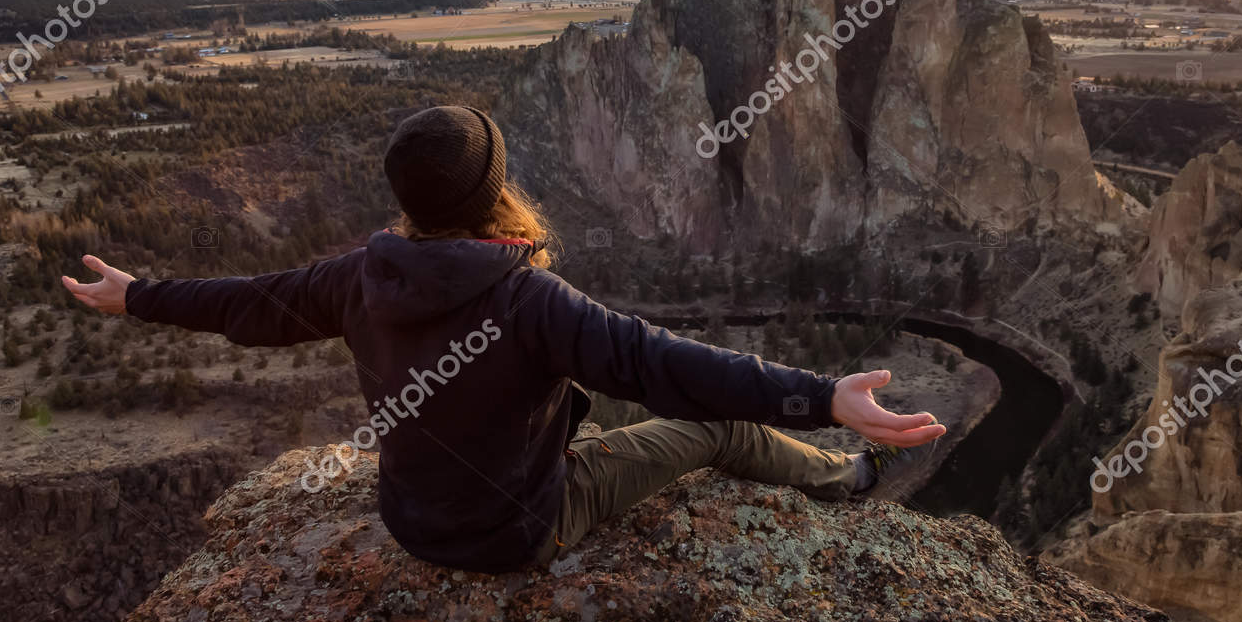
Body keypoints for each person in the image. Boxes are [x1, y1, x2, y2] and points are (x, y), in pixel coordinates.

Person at [62, 105, 946, 573]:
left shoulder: (358, 275)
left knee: (597, 427)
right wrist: (824, 398)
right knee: (719, 430)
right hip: (517, 532)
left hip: (413, 524)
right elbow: (666, 369)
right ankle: (849, 477)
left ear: (408, 202)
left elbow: (247, 305)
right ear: (495, 194)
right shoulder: (528, 300)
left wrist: (137, 296)